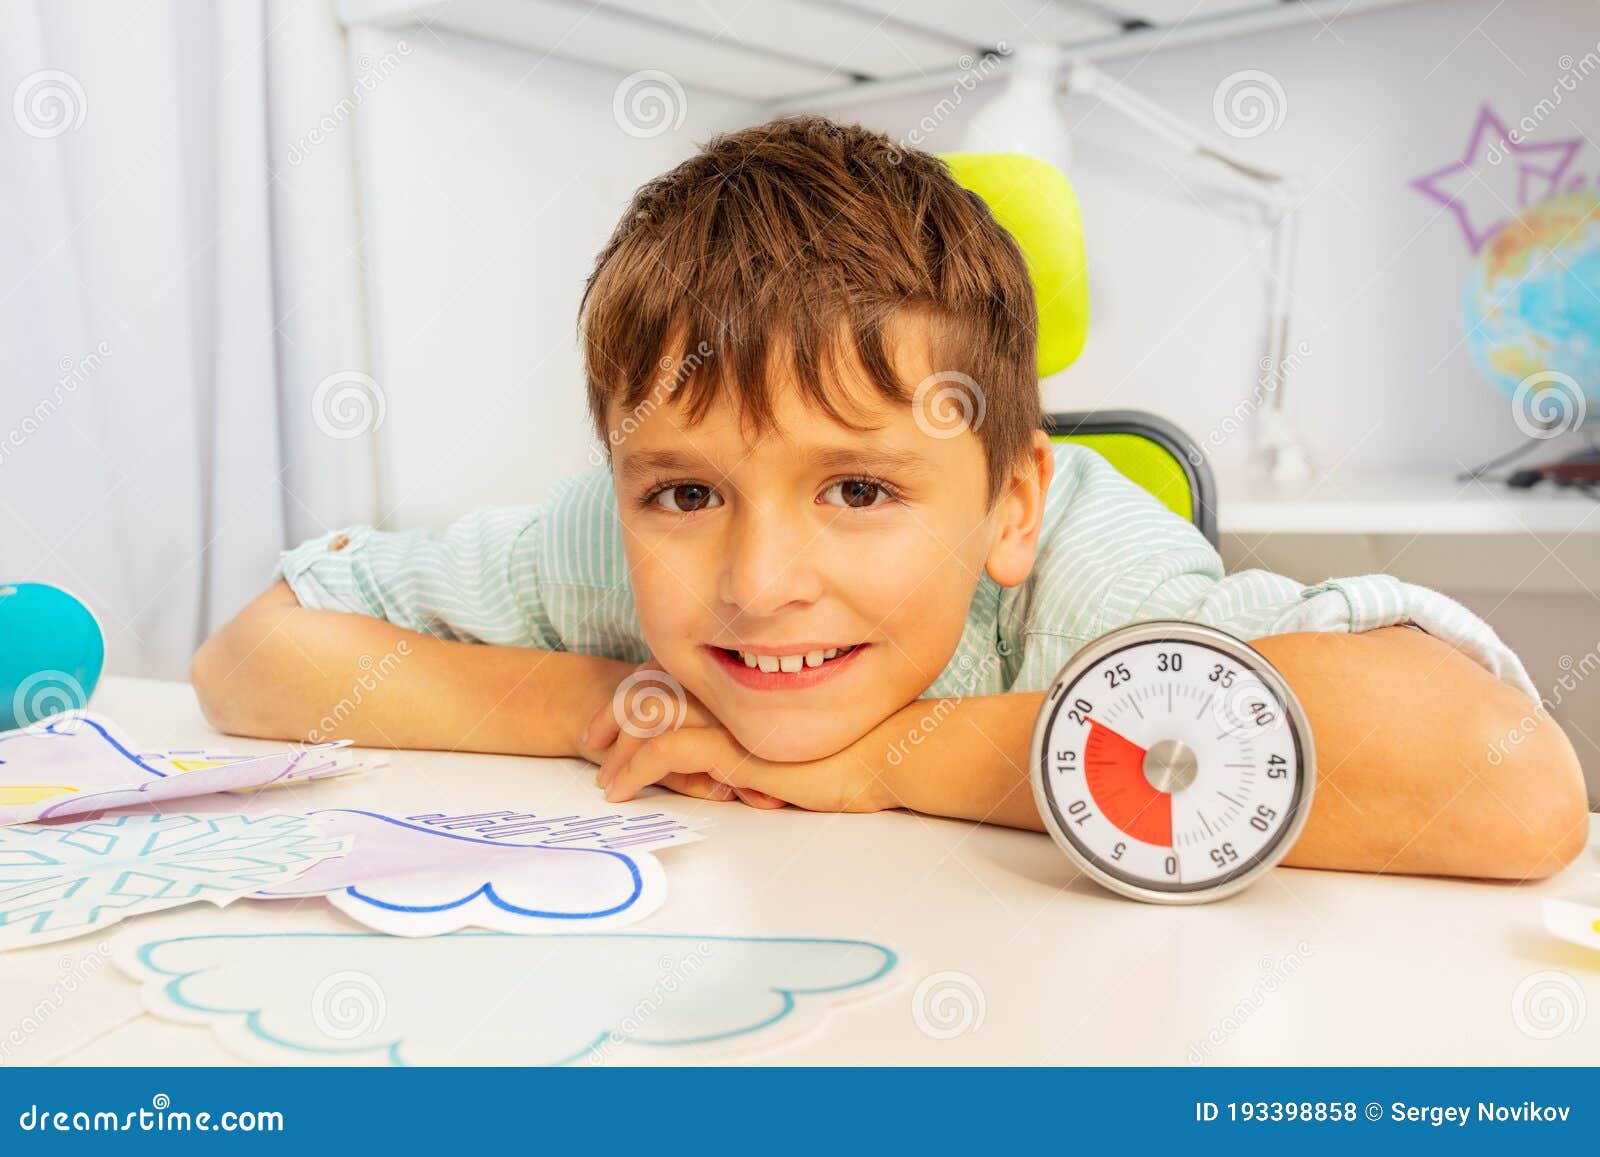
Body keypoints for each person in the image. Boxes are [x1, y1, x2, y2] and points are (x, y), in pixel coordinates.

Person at [192, 116, 1588, 880]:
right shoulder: (603, 548)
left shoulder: (1090, 572)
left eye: (857, 485)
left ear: (1009, 505)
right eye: (684, 490)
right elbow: (250, 656)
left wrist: (886, 757)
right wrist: (607, 702)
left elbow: (1511, 790)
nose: (758, 578)